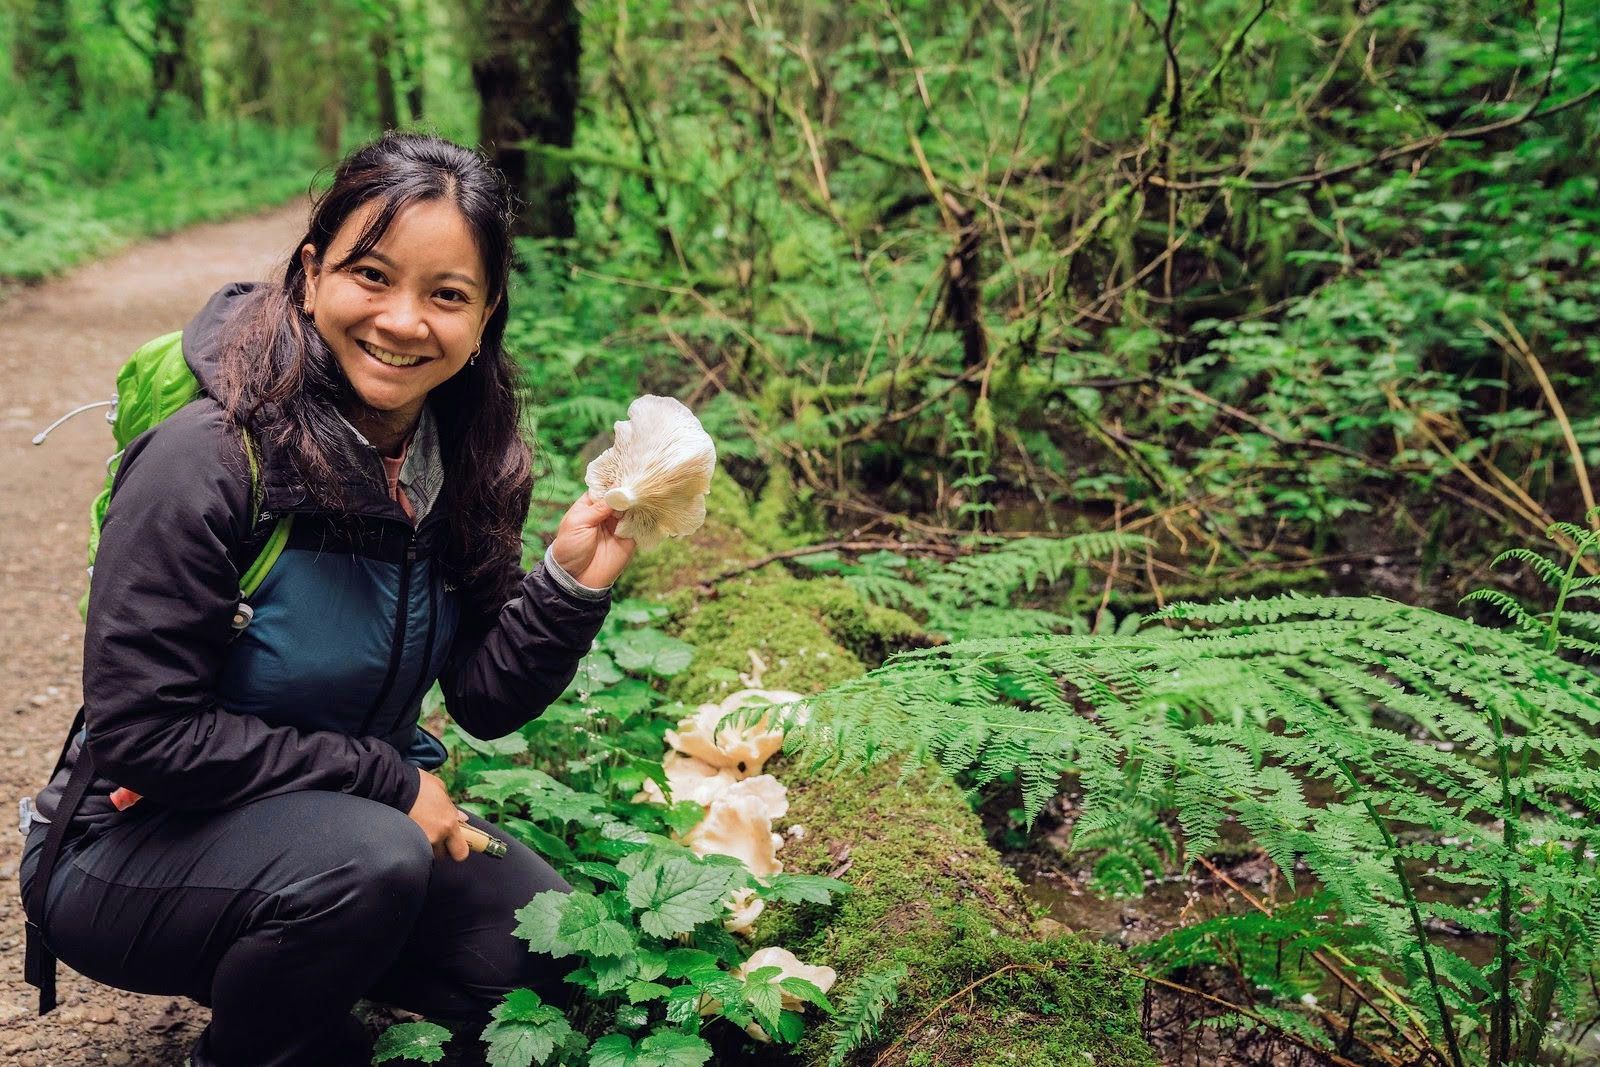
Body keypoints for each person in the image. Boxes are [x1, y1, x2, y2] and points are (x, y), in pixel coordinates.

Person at [17, 132, 635, 1066]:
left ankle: (301, 977)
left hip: (331, 832)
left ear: (485, 314)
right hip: (128, 843)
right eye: (371, 275)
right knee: (371, 863)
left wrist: (568, 584)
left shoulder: (457, 462)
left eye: (447, 295)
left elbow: (484, 699)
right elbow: (147, 733)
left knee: (540, 955)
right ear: (312, 275)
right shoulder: (209, 460)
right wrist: (386, 779)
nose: (403, 320)